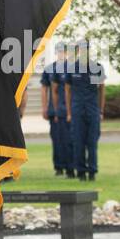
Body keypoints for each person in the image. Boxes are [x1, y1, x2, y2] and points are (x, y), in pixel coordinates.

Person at [66, 39, 104, 182]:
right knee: (78, 141)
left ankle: (92, 171)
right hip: (77, 110)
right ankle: (81, 171)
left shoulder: (97, 67)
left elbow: (102, 90)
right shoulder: (72, 68)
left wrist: (100, 110)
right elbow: (67, 91)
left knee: (92, 142)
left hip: (92, 109)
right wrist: (69, 112)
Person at [41, 43, 71, 175]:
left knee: (69, 140)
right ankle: (59, 167)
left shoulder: (71, 68)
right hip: (55, 111)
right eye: (59, 52)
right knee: (57, 139)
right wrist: (44, 108)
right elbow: (44, 89)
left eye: (63, 52)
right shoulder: (49, 69)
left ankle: (70, 166)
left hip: (69, 110)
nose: (61, 54)